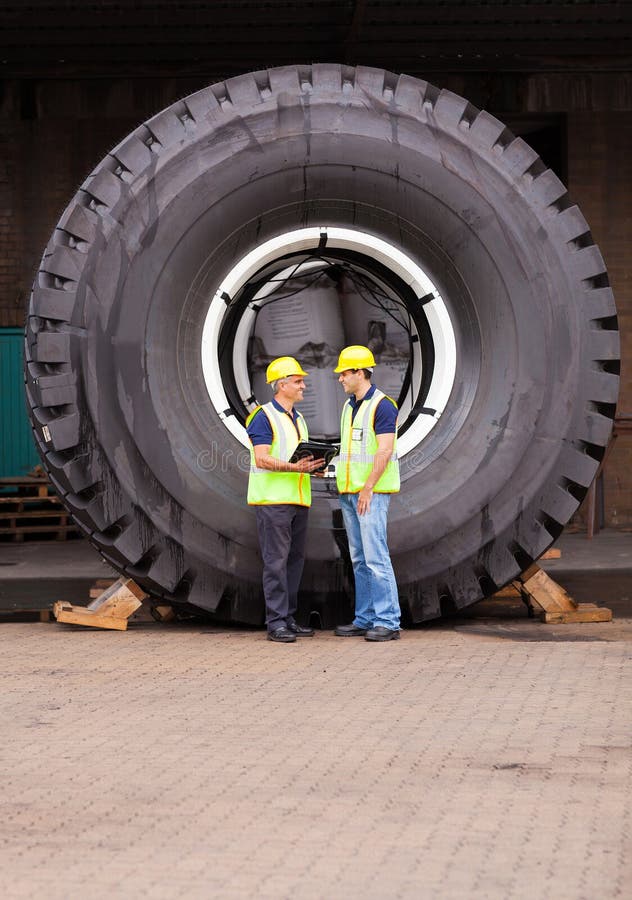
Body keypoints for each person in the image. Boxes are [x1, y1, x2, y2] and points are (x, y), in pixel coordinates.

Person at [246, 356, 324, 643]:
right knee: (276, 563)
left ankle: (288, 618)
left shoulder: (298, 418)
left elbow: (295, 456)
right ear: (281, 385)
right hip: (273, 501)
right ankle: (276, 622)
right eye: (298, 381)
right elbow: (262, 458)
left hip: (297, 498)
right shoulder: (263, 417)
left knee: (293, 562)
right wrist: (296, 468)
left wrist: (312, 469)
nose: (303, 385)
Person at [333, 345, 401, 642]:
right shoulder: (350, 406)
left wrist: (368, 488)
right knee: (359, 559)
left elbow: (384, 451)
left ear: (360, 373)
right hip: (349, 493)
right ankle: (365, 618)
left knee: (376, 557)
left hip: (370, 494)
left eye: (344, 373)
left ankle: (388, 621)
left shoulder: (383, 406)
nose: (340, 379)